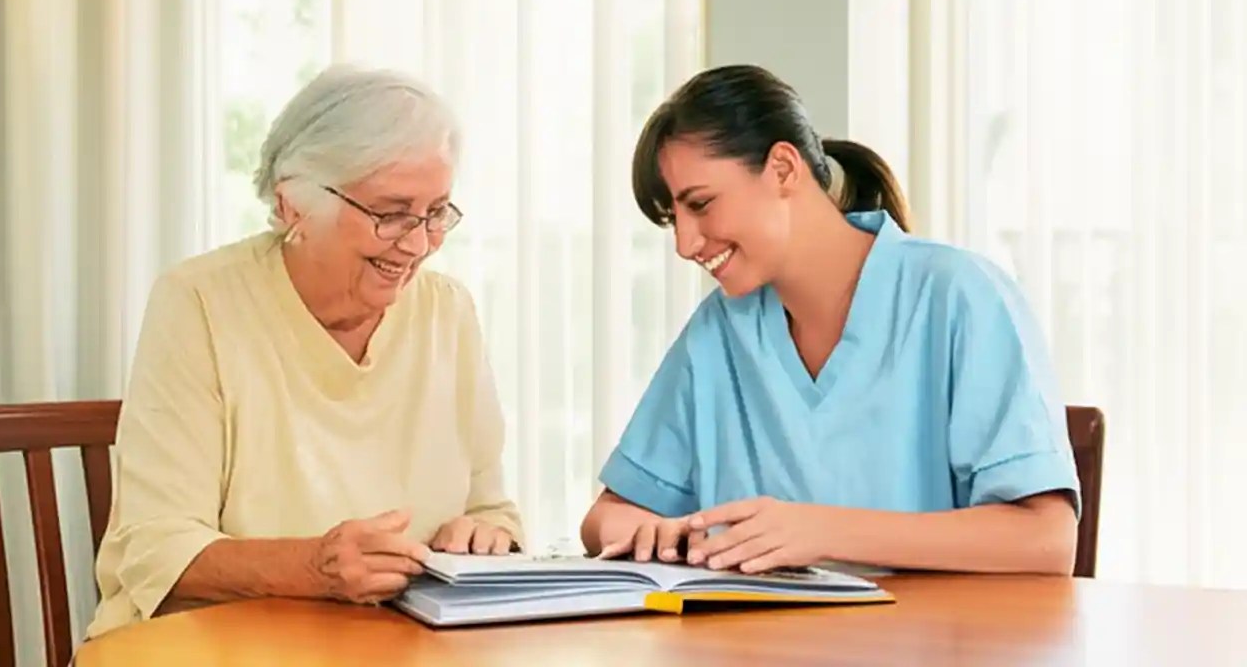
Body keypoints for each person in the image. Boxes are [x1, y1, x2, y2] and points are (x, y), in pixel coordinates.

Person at [580, 64, 1080, 576]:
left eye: (701, 204)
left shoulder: (958, 297)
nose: (685, 244)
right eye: (673, 221)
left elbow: (1046, 540)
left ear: (782, 168)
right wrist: (653, 533)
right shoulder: (718, 332)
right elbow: (607, 515)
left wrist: (820, 532)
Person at [87, 66, 522, 638]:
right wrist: (314, 567)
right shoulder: (198, 302)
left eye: (436, 213)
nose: (418, 245)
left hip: (389, 649)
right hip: (213, 646)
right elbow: (155, 548)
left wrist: (485, 536)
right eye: (390, 214)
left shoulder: (448, 309)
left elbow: (493, 511)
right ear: (294, 204)